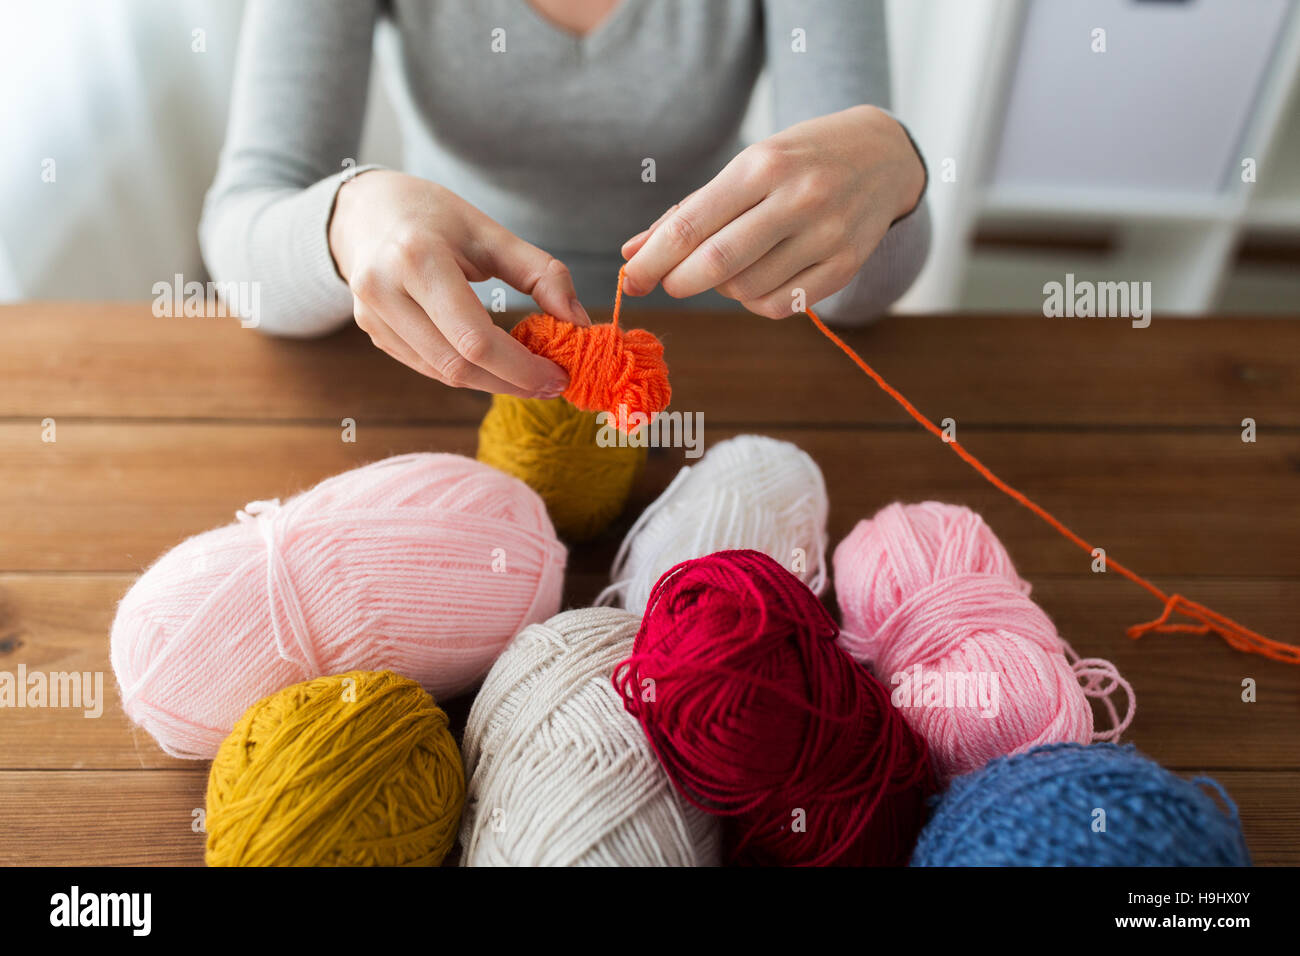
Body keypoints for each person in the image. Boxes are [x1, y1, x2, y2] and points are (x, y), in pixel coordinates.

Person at [200, 0, 930, 399]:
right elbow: (244, 241)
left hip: (731, 355)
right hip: (440, 347)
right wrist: (348, 218)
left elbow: (850, 297)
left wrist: (895, 178)